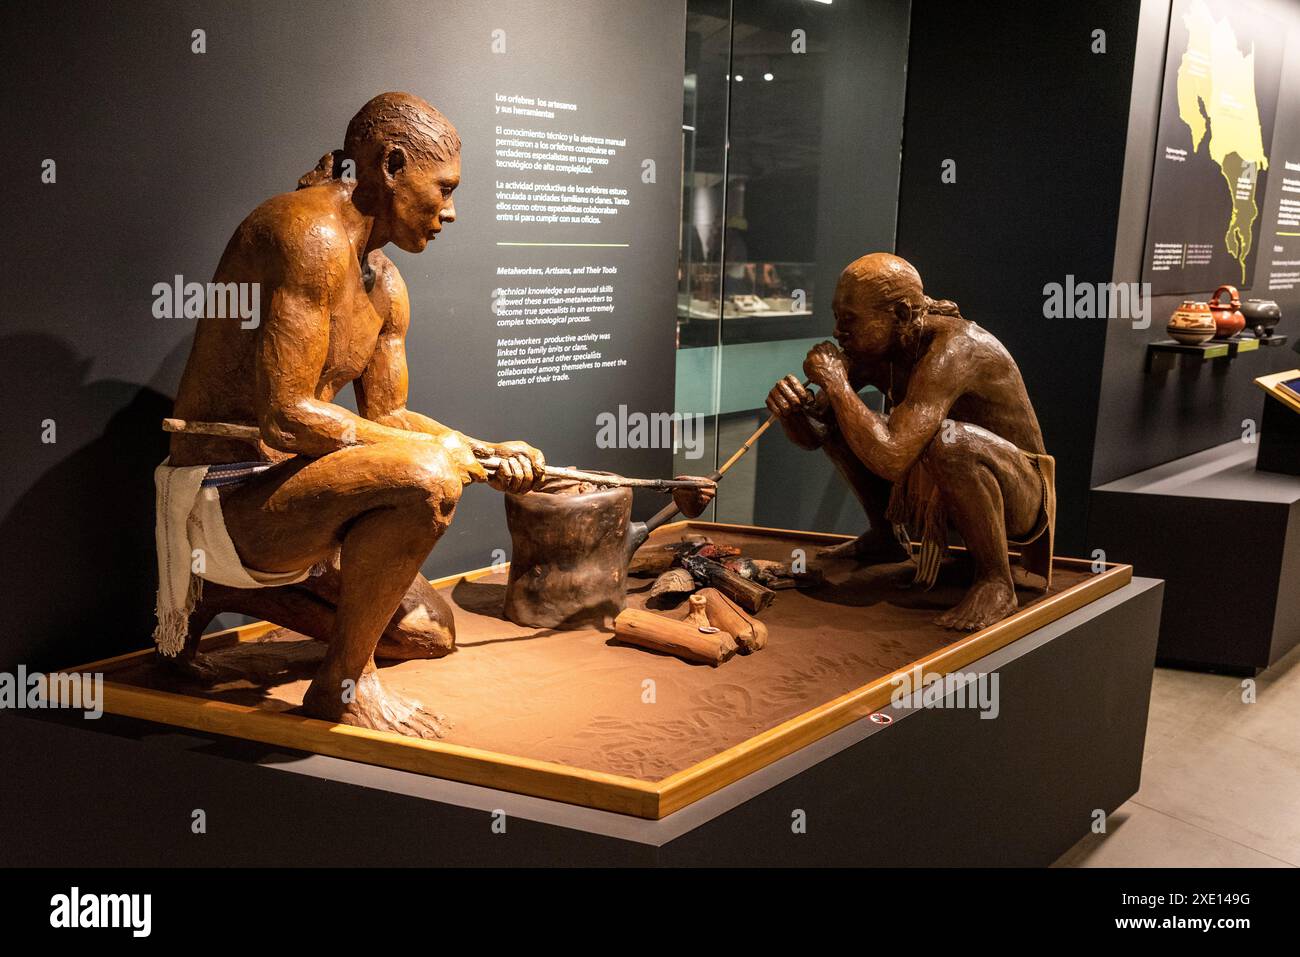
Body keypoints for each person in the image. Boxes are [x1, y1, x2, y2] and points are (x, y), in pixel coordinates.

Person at [156, 92, 545, 737]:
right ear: (392, 165)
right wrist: (439, 460)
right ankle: (343, 683)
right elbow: (285, 417)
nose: (451, 211)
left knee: (427, 633)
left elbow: (389, 416)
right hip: (224, 495)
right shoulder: (306, 234)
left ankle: (222, 592)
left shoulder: (385, 282)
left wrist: (477, 447)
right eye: (443, 188)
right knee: (426, 482)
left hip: (291, 496)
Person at [765, 253, 1055, 631]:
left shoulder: (956, 347)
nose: (838, 332)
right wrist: (794, 412)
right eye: (837, 317)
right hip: (944, 483)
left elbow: (892, 458)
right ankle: (887, 538)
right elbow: (818, 435)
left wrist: (836, 382)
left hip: (1020, 499)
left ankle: (996, 580)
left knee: (947, 440)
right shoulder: (877, 347)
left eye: (849, 319)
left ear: (900, 315)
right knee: (846, 418)